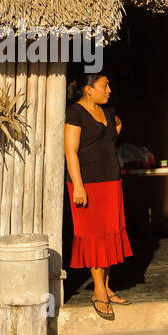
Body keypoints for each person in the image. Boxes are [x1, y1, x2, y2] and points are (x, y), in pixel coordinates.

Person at [64, 72, 133, 320]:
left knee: (110, 234)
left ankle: (106, 285)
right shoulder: (75, 113)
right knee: (94, 237)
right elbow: (70, 152)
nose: (109, 89)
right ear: (89, 90)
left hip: (110, 181)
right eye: (105, 85)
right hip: (88, 184)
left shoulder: (107, 110)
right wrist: (79, 187)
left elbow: (116, 124)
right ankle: (98, 291)